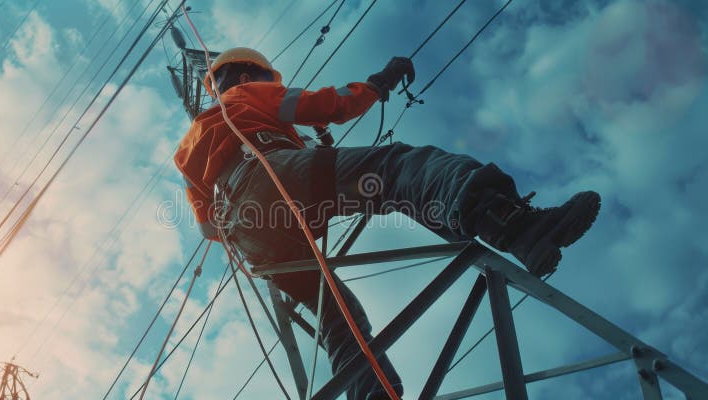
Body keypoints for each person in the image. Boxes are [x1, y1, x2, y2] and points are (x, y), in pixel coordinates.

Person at [174, 47, 600, 400]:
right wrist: (380, 81)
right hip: (275, 177)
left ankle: (373, 395)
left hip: (249, 233)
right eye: (266, 77)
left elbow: (206, 226)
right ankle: (514, 226)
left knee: (338, 318)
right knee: (397, 169)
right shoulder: (249, 94)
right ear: (249, 73)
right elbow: (333, 104)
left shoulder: (193, 140)